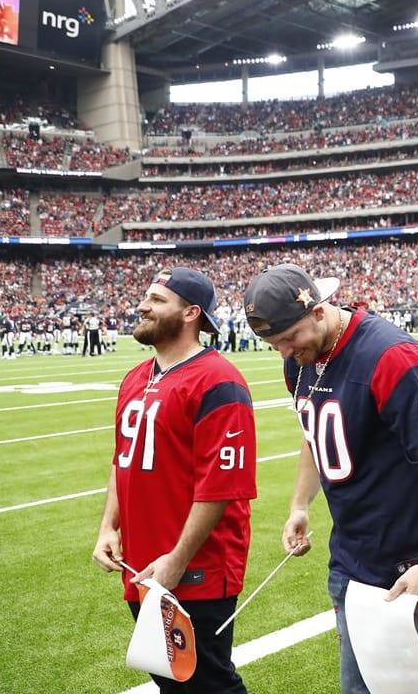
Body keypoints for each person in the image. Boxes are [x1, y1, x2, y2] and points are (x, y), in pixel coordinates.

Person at [242, 263, 418, 694]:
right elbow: (313, 431)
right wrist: (300, 505)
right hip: (354, 564)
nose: (283, 352)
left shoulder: (393, 357)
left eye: (289, 338)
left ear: (318, 312)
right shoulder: (302, 360)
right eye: (273, 343)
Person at [92, 267, 257, 693]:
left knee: (208, 683)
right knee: (170, 681)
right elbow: (121, 460)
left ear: (190, 313)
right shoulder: (135, 378)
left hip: (196, 566)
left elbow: (221, 485)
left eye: (157, 299)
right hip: (143, 563)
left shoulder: (218, 381)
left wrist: (178, 558)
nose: (143, 305)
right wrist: (108, 527)